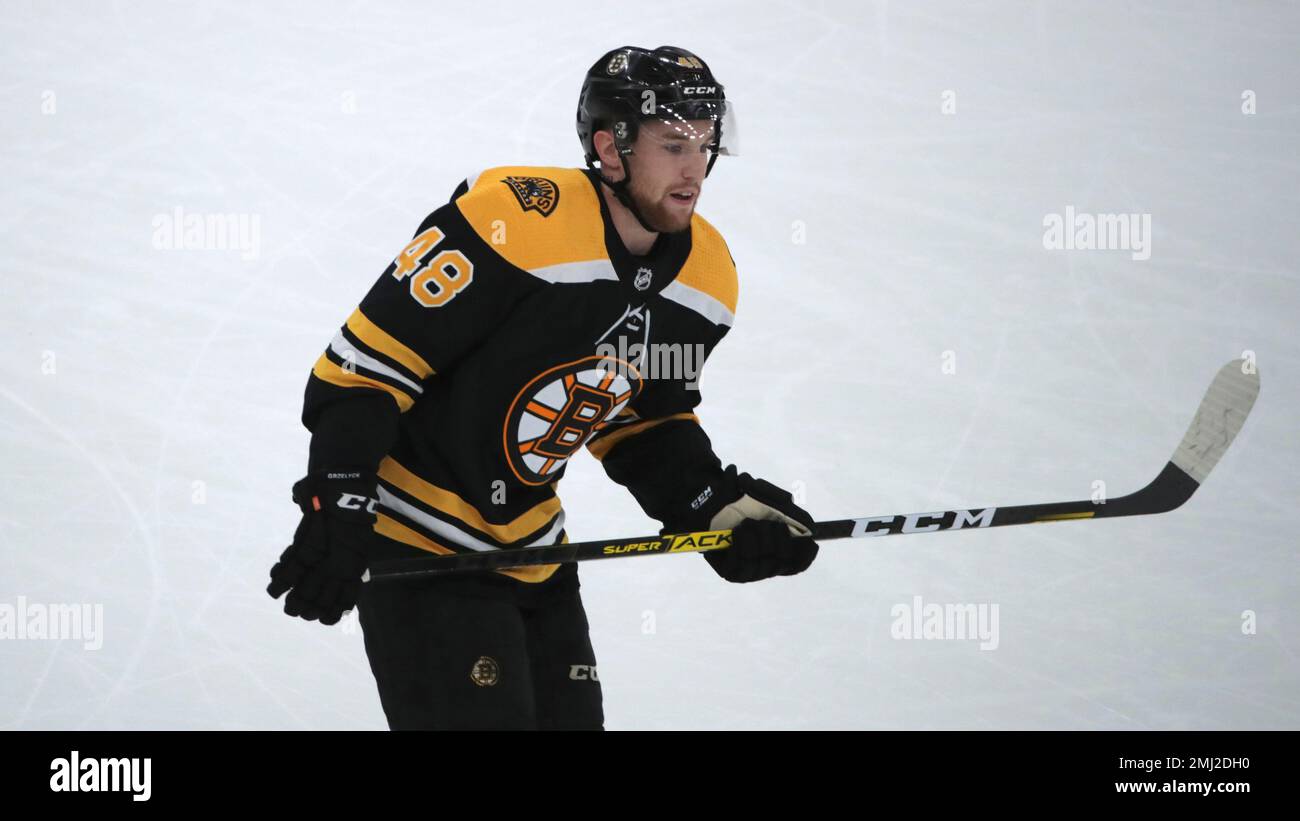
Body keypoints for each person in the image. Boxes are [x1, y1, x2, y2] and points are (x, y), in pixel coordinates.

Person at [267, 45, 818, 730]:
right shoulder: (513, 225)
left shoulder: (706, 279)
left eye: (705, 145)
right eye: (674, 143)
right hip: (418, 545)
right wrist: (339, 505)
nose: (694, 169)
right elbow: (364, 374)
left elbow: (643, 421)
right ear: (609, 149)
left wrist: (712, 507)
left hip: (539, 557)